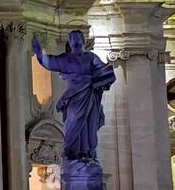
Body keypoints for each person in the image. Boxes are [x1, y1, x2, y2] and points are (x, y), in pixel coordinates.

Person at [31, 29, 115, 160]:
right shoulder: (65, 59)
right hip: (74, 98)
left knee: (89, 127)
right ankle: (73, 155)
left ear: (83, 41)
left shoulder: (91, 57)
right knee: (72, 126)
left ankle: (87, 154)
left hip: (89, 97)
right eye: (73, 40)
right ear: (70, 43)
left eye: (77, 39)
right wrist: (40, 55)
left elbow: (104, 71)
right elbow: (50, 62)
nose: (75, 42)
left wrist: (101, 78)